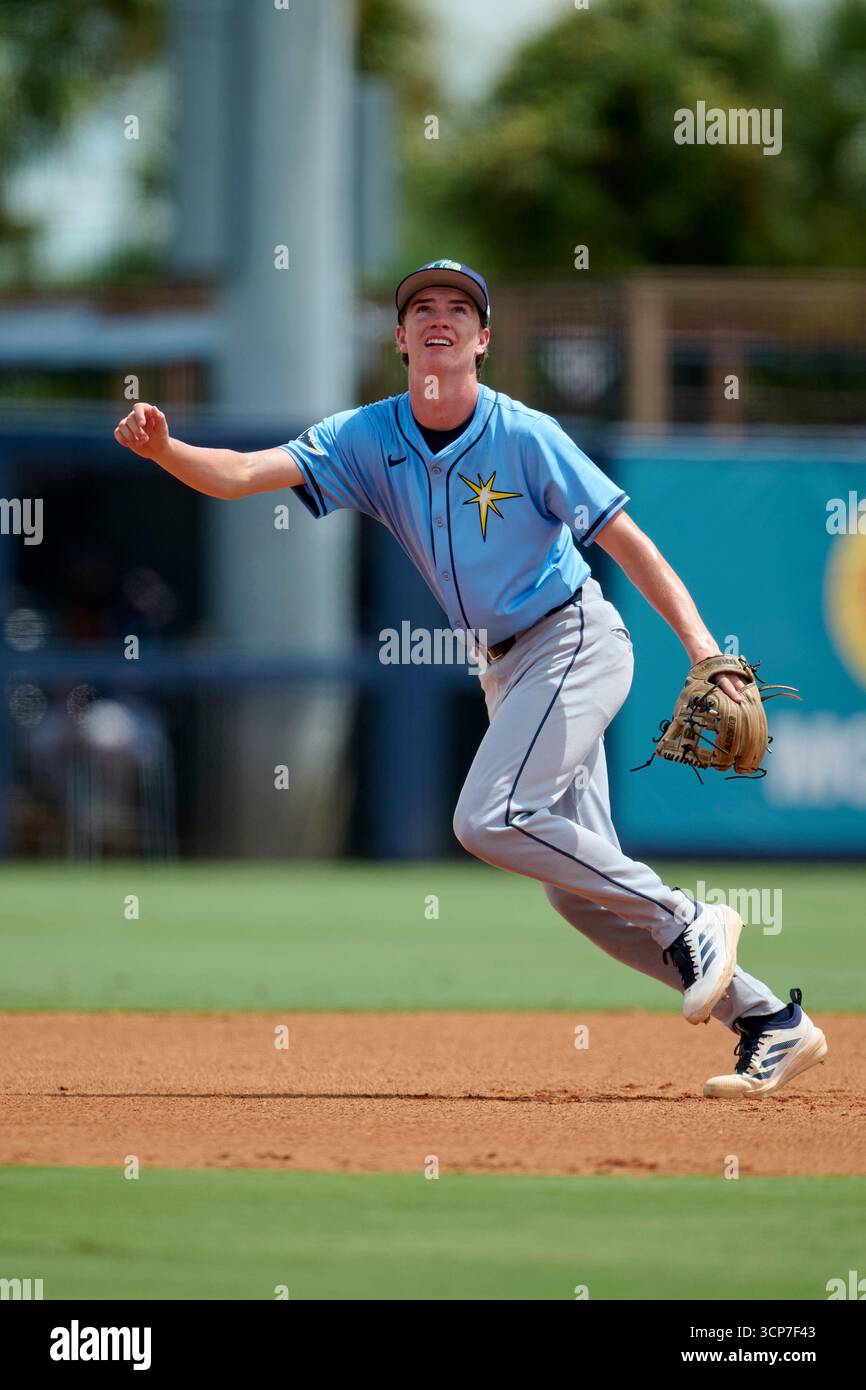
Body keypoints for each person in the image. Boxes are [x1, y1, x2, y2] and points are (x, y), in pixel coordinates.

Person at [114, 259, 828, 1098]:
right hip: (507, 670)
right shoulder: (368, 437)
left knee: (488, 818)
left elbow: (630, 540)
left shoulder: (526, 434)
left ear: (483, 339)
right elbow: (241, 475)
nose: (440, 317)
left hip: (573, 642)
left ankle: (690, 919)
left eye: (459, 308)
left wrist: (705, 651)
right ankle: (772, 1024)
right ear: (401, 337)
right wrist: (166, 448)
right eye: (423, 307)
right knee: (581, 895)